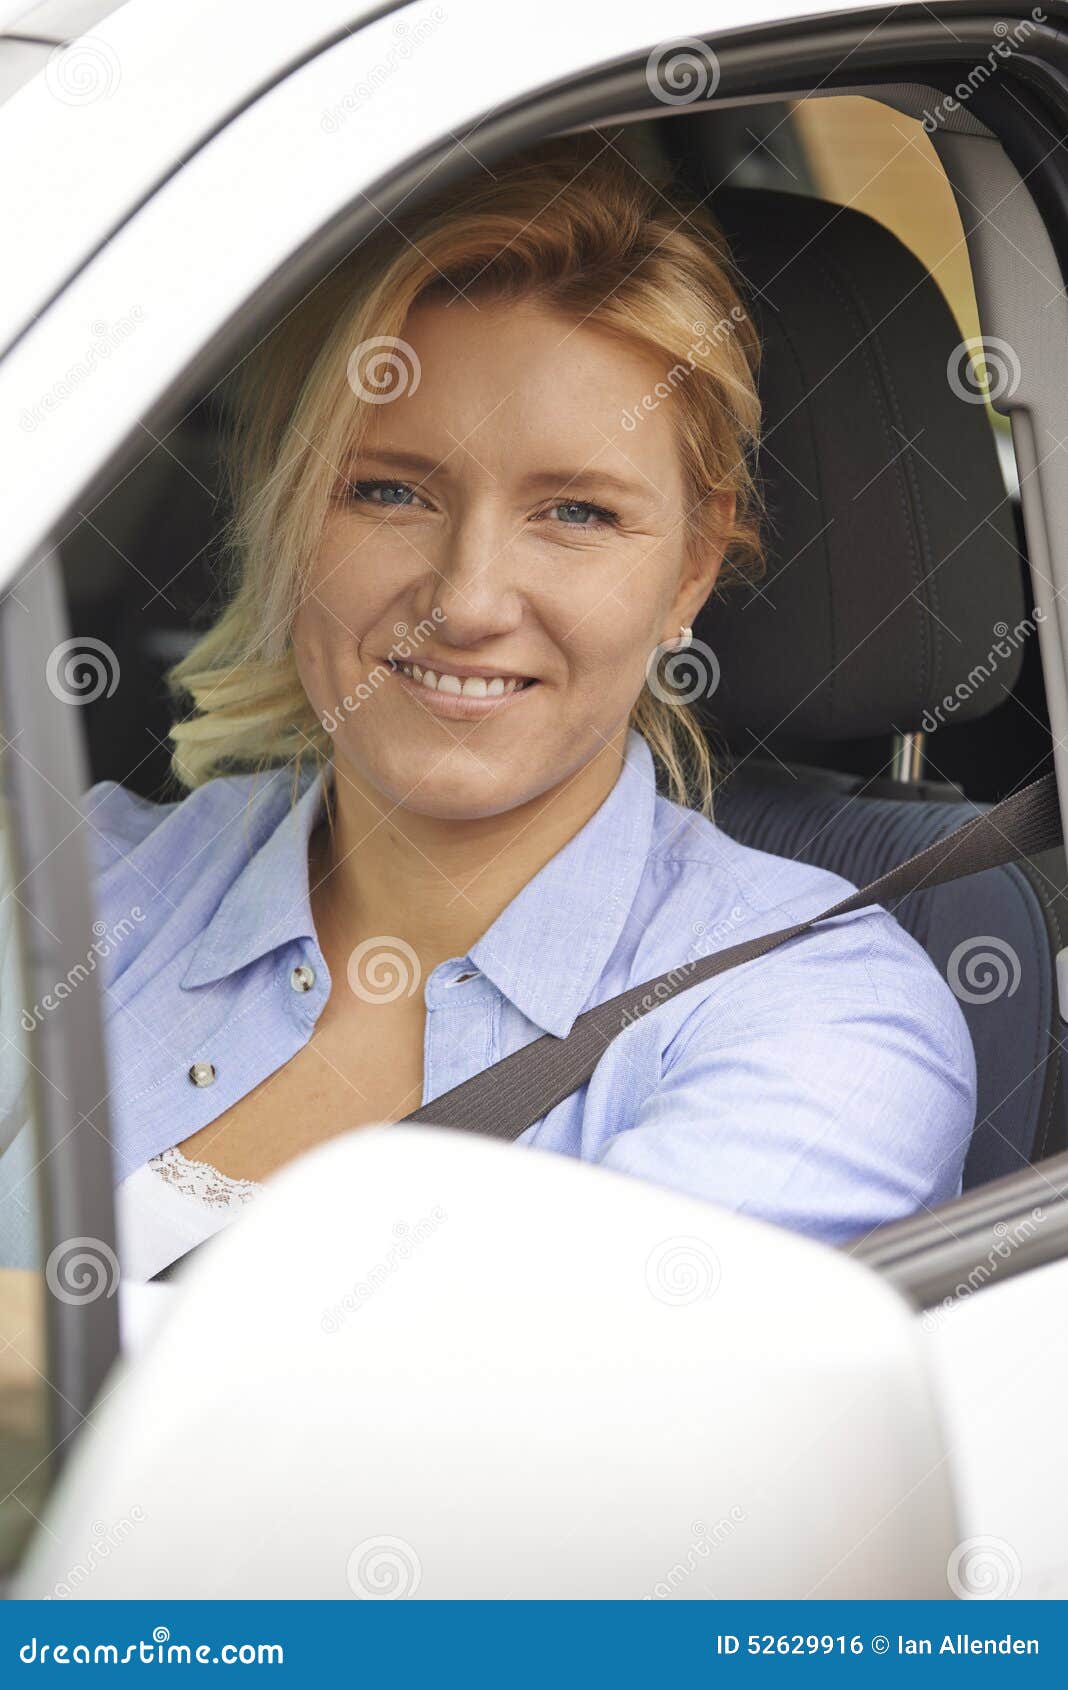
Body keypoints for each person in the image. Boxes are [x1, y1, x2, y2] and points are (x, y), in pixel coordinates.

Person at [80, 135, 974, 1280]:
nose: (465, 601)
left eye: (577, 513)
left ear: (692, 571)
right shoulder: (88, 889)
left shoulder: (824, 1022)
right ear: (292, 517)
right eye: (390, 490)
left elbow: (508, 1406)